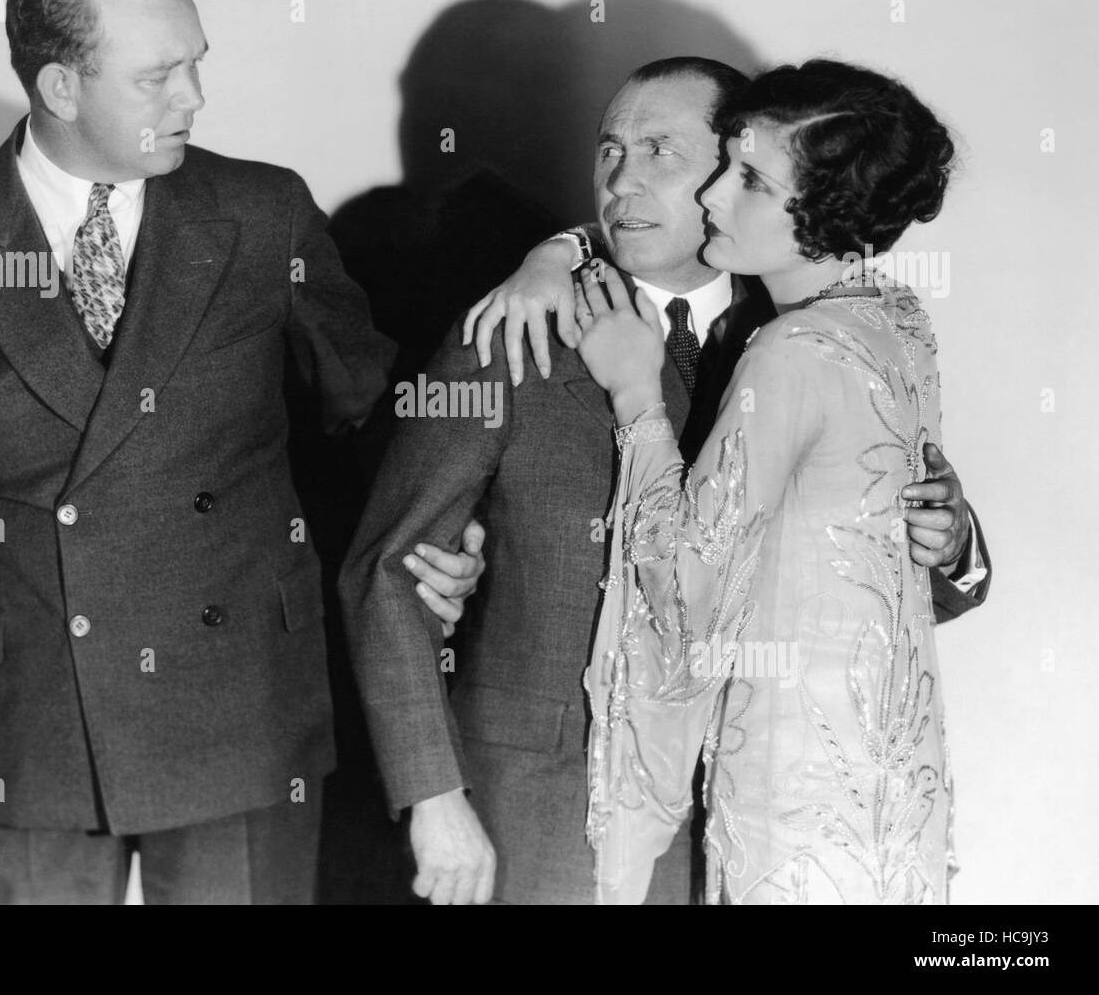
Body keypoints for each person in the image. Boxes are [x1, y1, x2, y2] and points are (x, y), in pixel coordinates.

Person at [0, 0, 480, 905]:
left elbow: (377, 422)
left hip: (243, 714)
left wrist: (441, 532)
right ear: (60, 87)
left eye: (196, 65)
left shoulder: (263, 214)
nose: (194, 99)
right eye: (158, 77)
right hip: (33, 732)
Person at [339, 57, 988, 905]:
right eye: (609, 151)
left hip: (747, 806)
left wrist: (953, 543)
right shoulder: (518, 329)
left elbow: (867, 582)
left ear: (733, 169)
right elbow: (388, 571)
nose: (622, 183)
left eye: (659, 153)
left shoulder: (806, 334)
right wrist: (433, 797)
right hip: (546, 805)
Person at [574, 58, 970, 904]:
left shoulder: (789, 350)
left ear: (821, 212)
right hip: (892, 781)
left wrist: (637, 393)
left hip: (795, 782)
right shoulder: (900, 319)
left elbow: (683, 587)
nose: (714, 196)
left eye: (748, 178)